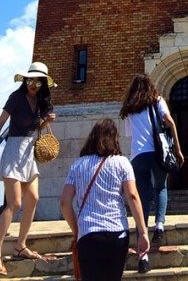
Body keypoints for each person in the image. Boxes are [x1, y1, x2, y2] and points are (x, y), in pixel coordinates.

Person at [0, 61, 56, 276]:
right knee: (14, 203)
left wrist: (46, 121)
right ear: (25, 80)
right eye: (30, 80)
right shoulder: (16, 97)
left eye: (38, 82)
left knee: (33, 198)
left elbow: (35, 128)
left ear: (43, 84)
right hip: (14, 148)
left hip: (29, 150)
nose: (33, 85)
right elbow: (0, 123)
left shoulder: (41, 101)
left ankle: (20, 245)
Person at [60, 118, 149, 281]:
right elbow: (133, 196)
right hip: (117, 234)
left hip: (88, 234)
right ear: (115, 139)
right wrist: (143, 232)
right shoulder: (123, 163)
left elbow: (65, 202)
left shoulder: (77, 165)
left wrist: (77, 230)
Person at [119, 73, 184, 274]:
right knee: (161, 187)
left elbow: (130, 134)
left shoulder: (129, 108)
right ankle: (160, 225)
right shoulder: (157, 101)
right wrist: (178, 149)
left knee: (142, 200)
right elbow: (170, 122)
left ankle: (143, 256)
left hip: (138, 157)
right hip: (158, 153)